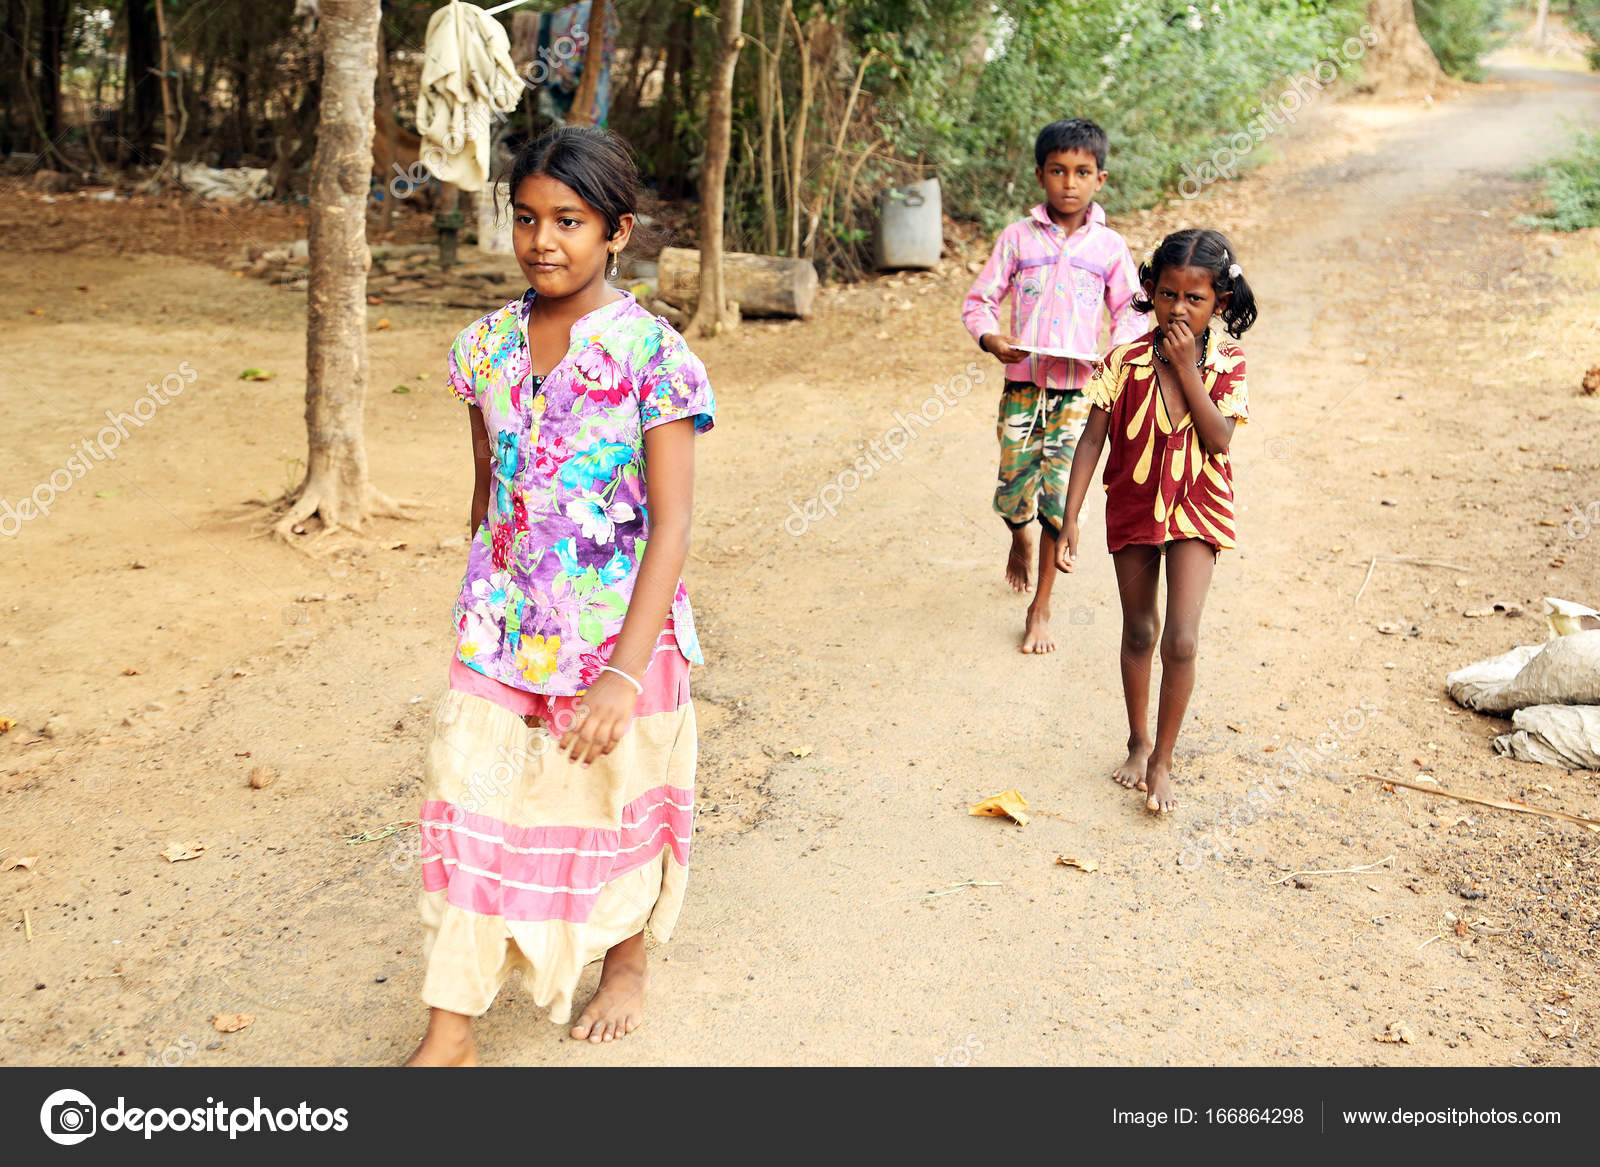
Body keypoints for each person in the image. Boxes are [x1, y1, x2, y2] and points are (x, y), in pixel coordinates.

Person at [405, 125, 715, 1065]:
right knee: (464, 805)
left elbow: (671, 524)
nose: (546, 240)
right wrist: (487, 599)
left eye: (570, 221)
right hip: (501, 630)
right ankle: (449, 1031)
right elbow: (487, 492)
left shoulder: (652, 358)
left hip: (620, 636)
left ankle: (626, 960)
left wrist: (622, 673)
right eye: (529, 218)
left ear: (617, 231)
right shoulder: (483, 347)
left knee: (613, 800)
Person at [1056, 228, 1256, 813]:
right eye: (1168, 294)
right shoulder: (1123, 362)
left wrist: (1189, 367)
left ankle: (1164, 759)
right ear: (1150, 290)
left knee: (1183, 638)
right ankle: (1138, 740)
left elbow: (1219, 439)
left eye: (1195, 299)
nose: (1178, 308)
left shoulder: (1226, 363)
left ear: (1219, 302)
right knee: (1140, 630)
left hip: (1198, 505)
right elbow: (1092, 439)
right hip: (1135, 504)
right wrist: (1071, 517)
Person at [962, 117, 1149, 654]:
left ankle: (1040, 605)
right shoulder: (1018, 239)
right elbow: (979, 301)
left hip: (1080, 392)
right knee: (1012, 490)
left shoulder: (1110, 248)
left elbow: (1133, 312)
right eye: (1058, 171)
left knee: (1060, 496)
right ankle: (1018, 535)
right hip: (1023, 386)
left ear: (1101, 180)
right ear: (1040, 175)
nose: (1070, 182)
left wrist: (1115, 352)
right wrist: (992, 339)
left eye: (1082, 172)